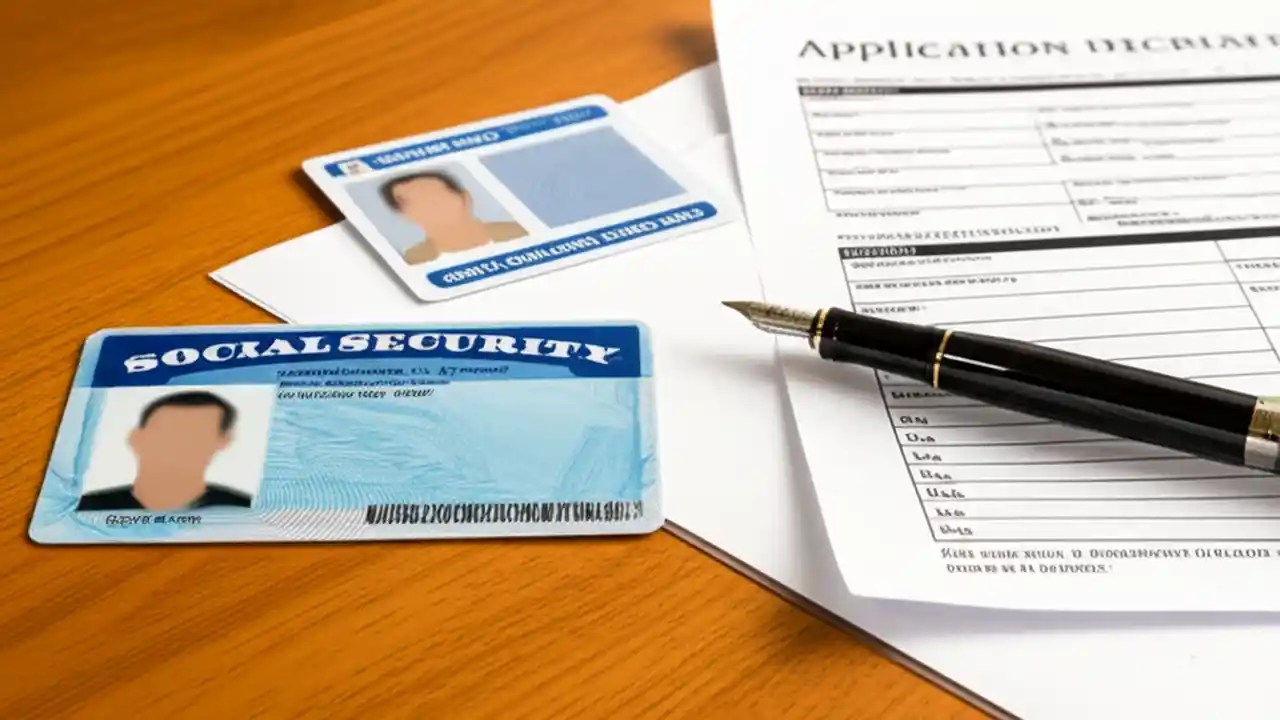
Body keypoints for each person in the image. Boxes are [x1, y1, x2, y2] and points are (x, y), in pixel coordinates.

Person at [77, 391, 251, 511]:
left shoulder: (244, 511)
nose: (179, 444)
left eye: (196, 435)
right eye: (167, 432)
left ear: (224, 442)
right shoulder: (86, 508)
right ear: (136, 438)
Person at [379, 171, 526, 264]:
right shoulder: (413, 260)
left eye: (438, 197)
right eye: (420, 203)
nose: (434, 207)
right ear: (405, 215)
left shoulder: (518, 231)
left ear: (465, 198)